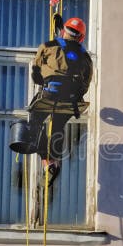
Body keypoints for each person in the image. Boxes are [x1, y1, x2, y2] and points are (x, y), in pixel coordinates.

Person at [27, 15, 93, 186]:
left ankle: (46, 160)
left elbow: (35, 73)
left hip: (50, 94)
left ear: (64, 31)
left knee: (35, 120)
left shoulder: (48, 46)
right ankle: (54, 160)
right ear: (81, 37)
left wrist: (44, 83)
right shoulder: (85, 56)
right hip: (71, 99)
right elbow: (86, 83)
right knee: (58, 125)